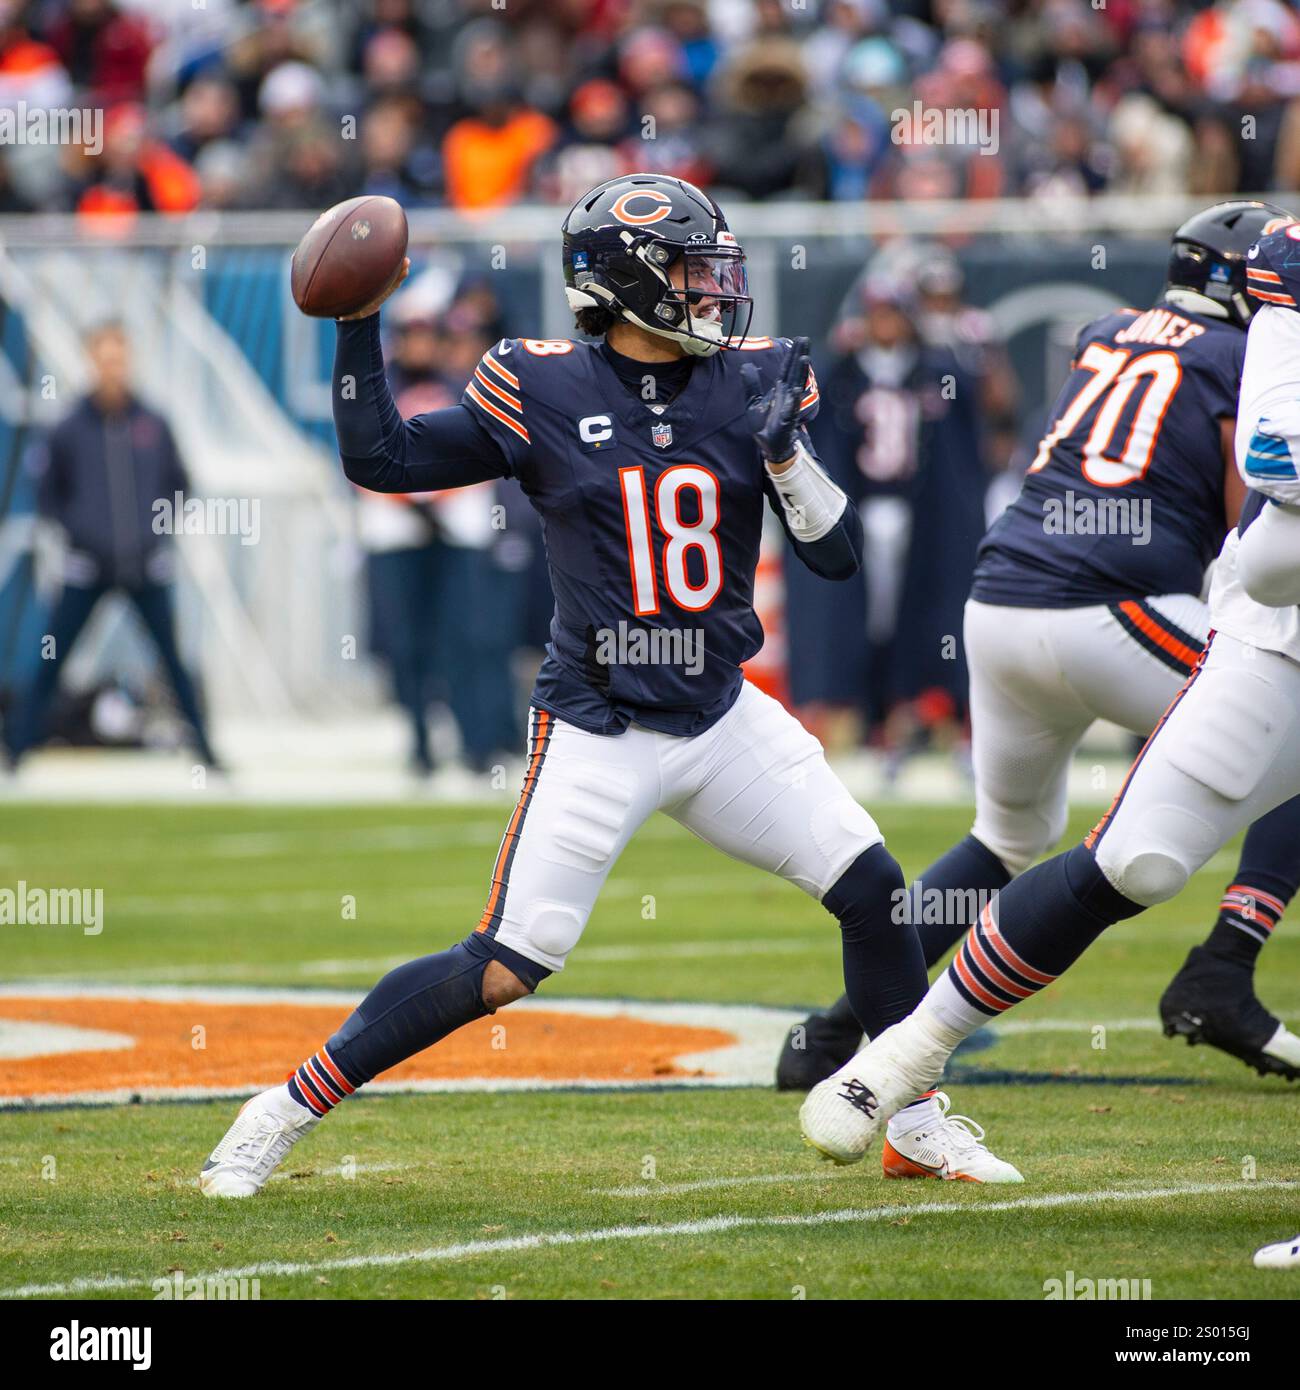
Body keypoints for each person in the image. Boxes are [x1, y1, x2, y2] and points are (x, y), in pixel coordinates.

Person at [199, 173, 1017, 1197]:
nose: (714, 288)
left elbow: (837, 559)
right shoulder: (537, 385)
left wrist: (789, 461)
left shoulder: (754, 379)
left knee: (871, 889)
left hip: (720, 715)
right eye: (689, 269)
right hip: (600, 722)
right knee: (504, 963)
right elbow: (383, 458)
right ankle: (278, 1109)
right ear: (626, 283)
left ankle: (916, 1125)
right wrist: (357, 326)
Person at [799, 209, 1300, 1167]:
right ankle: (1227, 963)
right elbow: (1252, 530)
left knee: (1006, 839)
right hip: (1115, 608)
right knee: (1274, 741)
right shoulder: (1244, 356)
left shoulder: (1106, 330)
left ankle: (840, 1030)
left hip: (1000, 601)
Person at [3, 321, 218, 769]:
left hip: (146, 567)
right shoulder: (67, 429)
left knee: (173, 662)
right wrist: (84, 536)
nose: (113, 367)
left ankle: (207, 754)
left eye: (119, 357)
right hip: (86, 568)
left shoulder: (153, 423)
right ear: (91, 361)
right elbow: (49, 496)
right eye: (104, 357)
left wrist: (152, 535)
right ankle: (17, 749)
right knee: (52, 657)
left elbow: (179, 484)